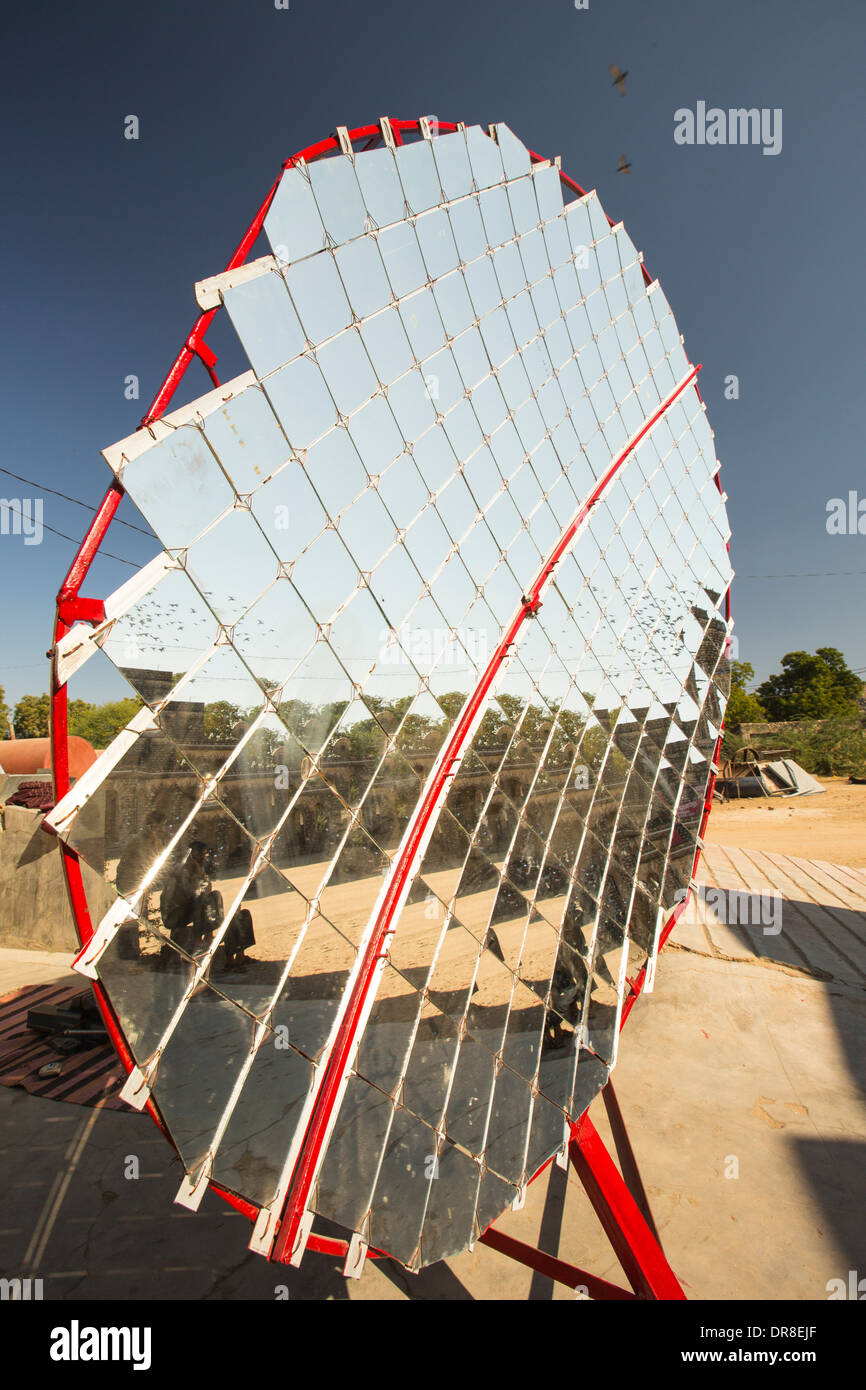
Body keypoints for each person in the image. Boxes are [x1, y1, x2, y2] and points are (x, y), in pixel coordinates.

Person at [159, 841, 222, 964]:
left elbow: (207, 887)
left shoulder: (197, 867)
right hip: (173, 914)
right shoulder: (184, 868)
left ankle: (209, 935)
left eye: (205, 854)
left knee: (214, 895)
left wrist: (200, 874)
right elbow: (191, 892)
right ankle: (198, 940)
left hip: (185, 908)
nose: (204, 858)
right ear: (193, 854)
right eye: (201, 855)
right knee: (200, 898)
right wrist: (199, 874)